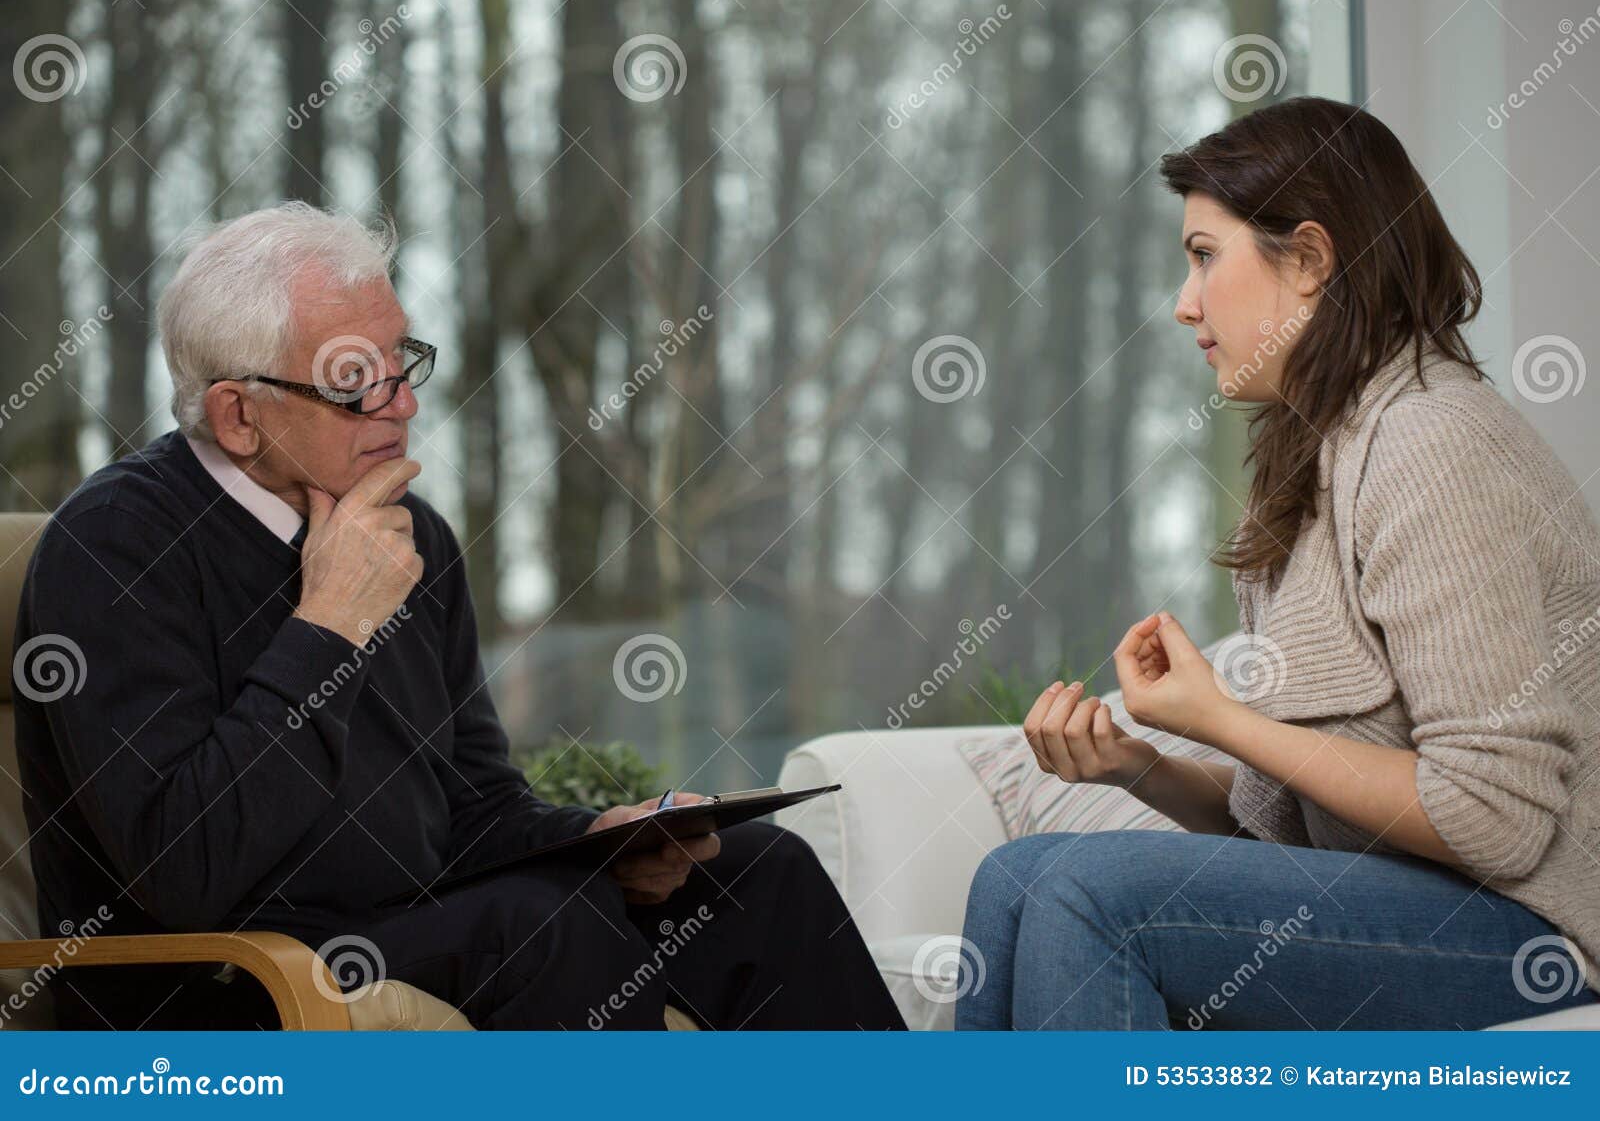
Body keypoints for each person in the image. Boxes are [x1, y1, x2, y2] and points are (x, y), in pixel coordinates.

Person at [13, 202, 904, 1031]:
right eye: (354, 381)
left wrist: (595, 843)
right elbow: (188, 871)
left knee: (755, 874)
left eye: (402, 361)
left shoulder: (415, 538)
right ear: (239, 415)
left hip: (414, 919)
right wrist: (327, 626)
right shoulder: (114, 545)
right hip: (214, 977)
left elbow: (473, 809)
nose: (402, 403)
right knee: (543, 922)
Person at [957, 96, 1600, 1030]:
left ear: (1307, 260)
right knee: (1015, 877)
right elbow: (1289, 825)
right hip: (1411, 902)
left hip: (1537, 934)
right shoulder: (1318, 462)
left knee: (1092, 893)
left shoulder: (1433, 440)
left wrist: (1222, 717)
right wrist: (1142, 765)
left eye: (1204, 256)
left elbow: (1495, 816)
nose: (1184, 305)